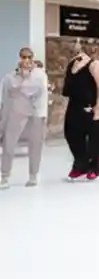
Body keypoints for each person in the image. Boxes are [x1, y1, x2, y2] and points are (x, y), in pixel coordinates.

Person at [1, 48, 49, 189]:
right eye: (23, 57)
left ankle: (33, 175)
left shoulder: (40, 74)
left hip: (36, 113)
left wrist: (24, 82)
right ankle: (4, 176)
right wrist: (21, 78)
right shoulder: (11, 76)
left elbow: (36, 91)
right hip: (17, 112)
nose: (26, 60)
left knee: (35, 144)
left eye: (29, 57)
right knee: (9, 143)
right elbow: (8, 92)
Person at [64, 45, 99, 180]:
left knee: (95, 138)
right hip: (74, 106)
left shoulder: (94, 65)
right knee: (72, 134)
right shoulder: (71, 65)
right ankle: (81, 164)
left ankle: (98, 164)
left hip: (90, 106)